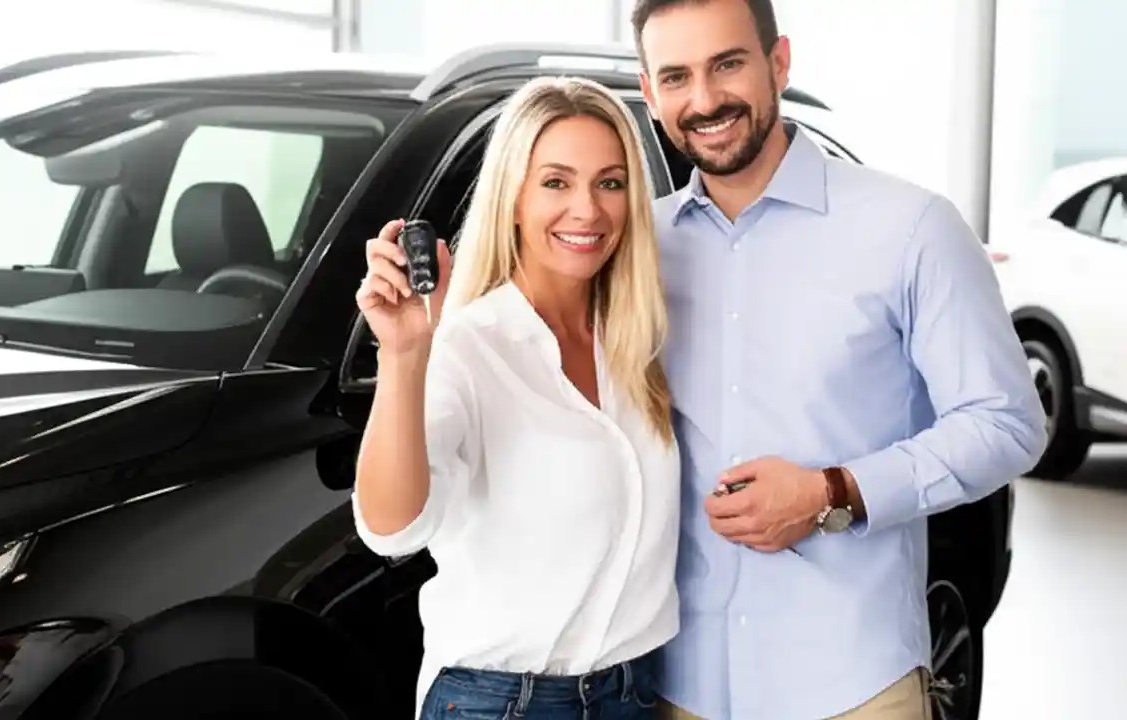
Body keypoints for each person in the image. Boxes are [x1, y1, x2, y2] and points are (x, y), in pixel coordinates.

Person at [628, 0, 1049, 718]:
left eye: (727, 64)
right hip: (679, 687)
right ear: (650, 94)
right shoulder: (639, 250)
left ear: (779, 63)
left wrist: (832, 492)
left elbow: (1009, 423)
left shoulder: (910, 227)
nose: (703, 100)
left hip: (853, 687)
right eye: (677, 76)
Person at [350, 75, 681, 719]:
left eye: (609, 183)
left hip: (634, 694)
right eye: (556, 182)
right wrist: (404, 354)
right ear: (514, 200)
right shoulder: (469, 346)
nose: (587, 210)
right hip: (503, 702)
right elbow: (392, 530)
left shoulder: (641, 342)